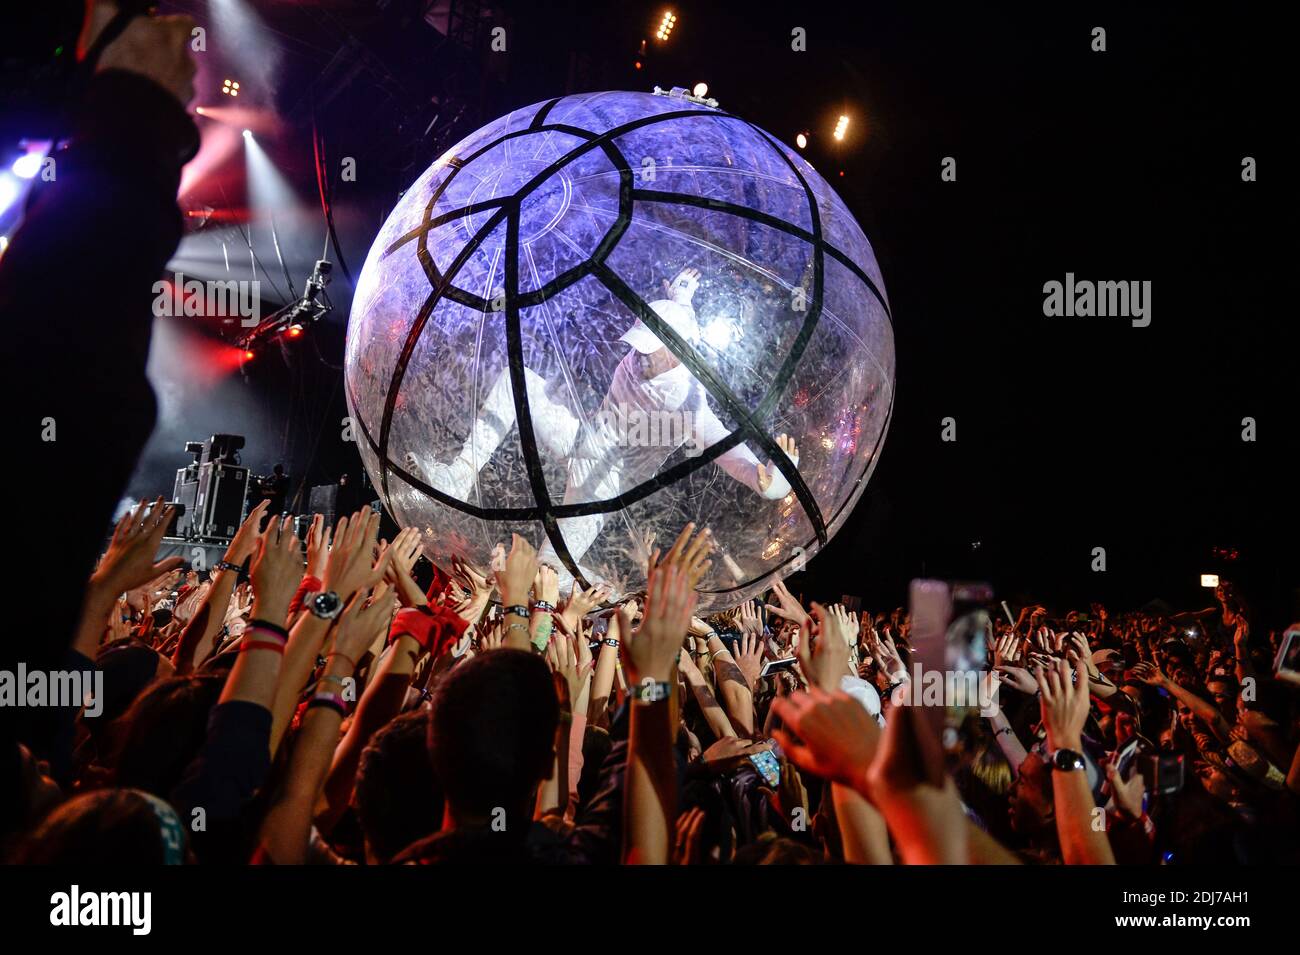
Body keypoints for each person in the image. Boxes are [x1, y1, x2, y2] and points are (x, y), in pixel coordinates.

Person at [417, 267, 800, 586]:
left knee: (551, 570)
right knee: (514, 381)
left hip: (601, 485)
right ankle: (457, 477)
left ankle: (615, 598)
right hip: (582, 437)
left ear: (675, 354)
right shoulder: (665, 347)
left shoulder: (687, 402)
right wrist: (681, 297)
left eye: (648, 349)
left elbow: (727, 451)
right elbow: (687, 329)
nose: (636, 355)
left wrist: (769, 482)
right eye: (637, 344)